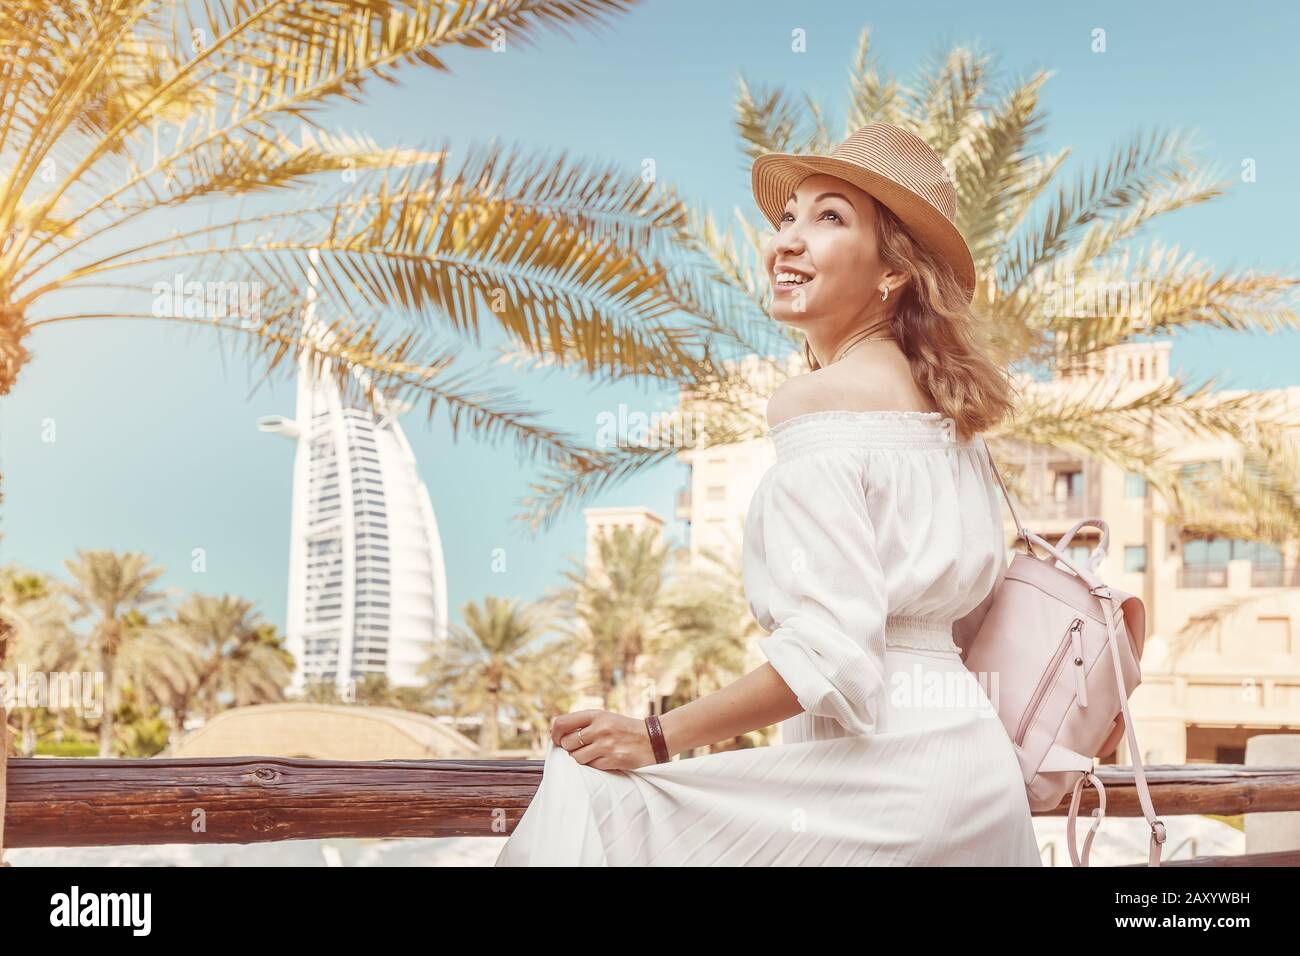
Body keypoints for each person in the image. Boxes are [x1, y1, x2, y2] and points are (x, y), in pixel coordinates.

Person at [494, 123, 1041, 866]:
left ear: (892, 272)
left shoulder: (816, 404)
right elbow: (967, 618)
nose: (787, 240)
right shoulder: (955, 420)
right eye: (789, 217)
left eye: (830, 218)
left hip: (880, 779)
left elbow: (831, 654)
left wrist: (653, 737)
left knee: (595, 815)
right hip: (974, 774)